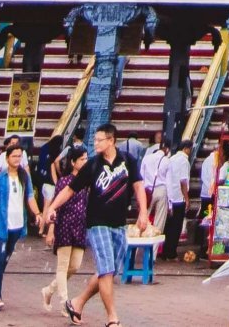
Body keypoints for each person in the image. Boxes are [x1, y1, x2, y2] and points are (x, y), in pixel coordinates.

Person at [52, 125, 149, 326]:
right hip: (97, 223)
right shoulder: (92, 165)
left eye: (99, 140)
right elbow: (70, 190)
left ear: (111, 140)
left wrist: (143, 212)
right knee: (106, 271)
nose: (95, 143)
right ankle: (112, 318)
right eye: (94, 140)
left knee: (110, 270)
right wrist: (52, 207)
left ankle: (77, 303)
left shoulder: (128, 161)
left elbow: (139, 186)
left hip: (119, 224)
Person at [0, 142, 39, 313]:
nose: (17, 159)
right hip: (1, 224)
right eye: (14, 156)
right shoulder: (0, 178)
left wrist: (38, 213)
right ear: (7, 158)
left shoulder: (24, 177)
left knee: (5, 259)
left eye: (19, 156)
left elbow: (29, 197)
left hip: (17, 224)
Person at [39, 148, 88, 316]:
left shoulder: (88, 182)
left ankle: (49, 290)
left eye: (86, 159)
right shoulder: (64, 181)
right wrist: (51, 229)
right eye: (81, 159)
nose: (85, 162)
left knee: (75, 266)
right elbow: (56, 208)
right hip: (65, 225)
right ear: (73, 162)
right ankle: (64, 302)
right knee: (63, 265)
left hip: (80, 227)